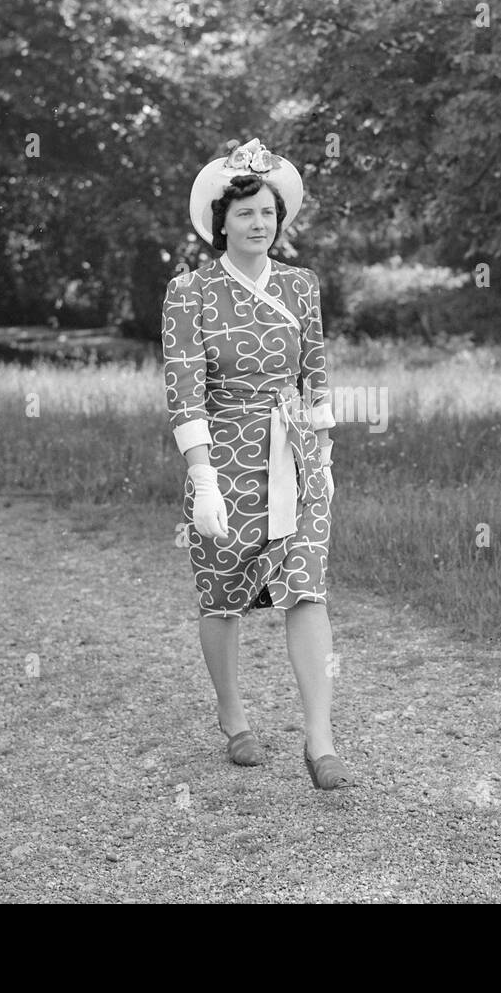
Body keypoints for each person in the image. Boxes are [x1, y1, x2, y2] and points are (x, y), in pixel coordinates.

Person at [161, 137, 354, 790]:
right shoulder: (189, 292)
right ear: (222, 221)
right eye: (245, 213)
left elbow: (316, 375)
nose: (258, 223)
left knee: (307, 587)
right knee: (223, 597)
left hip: (295, 455)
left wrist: (324, 457)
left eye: (268, 212)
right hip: (226, 457)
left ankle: (320, 741)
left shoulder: (302, 286)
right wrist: (203, 479)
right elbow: (184, 391)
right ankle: (232, 715)